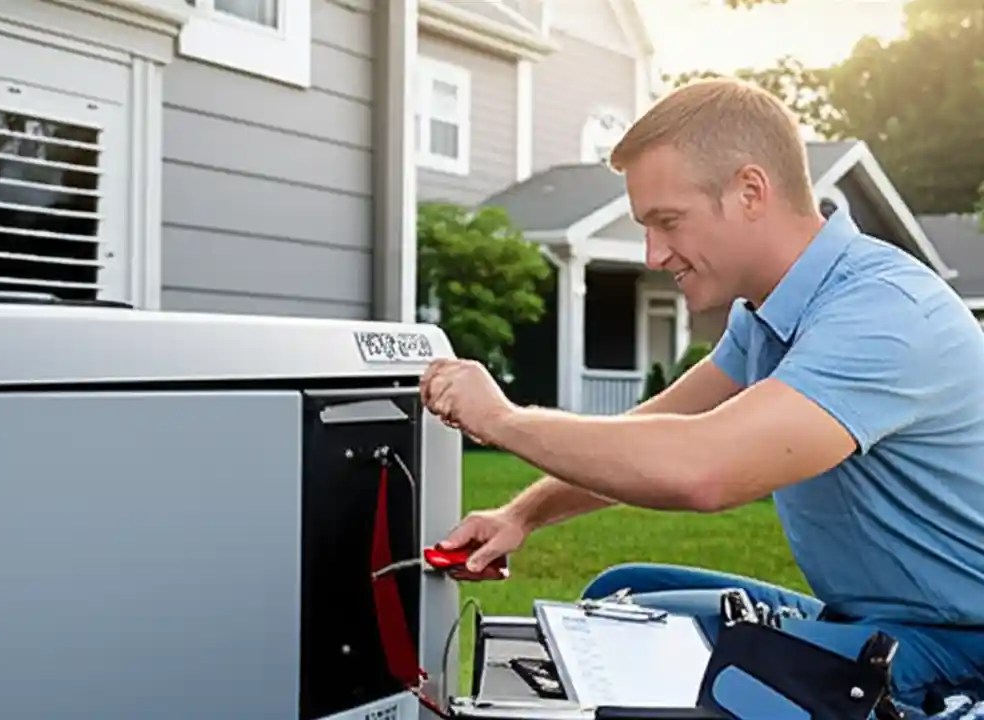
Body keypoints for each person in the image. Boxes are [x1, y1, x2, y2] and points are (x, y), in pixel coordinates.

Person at [419, 77, 984, 709]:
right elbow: (652, 429)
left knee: (676, 674)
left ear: (750, 192)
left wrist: (500, 419)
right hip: (871, 623)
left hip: (963, 649)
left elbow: (704, 470)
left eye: (668, 223)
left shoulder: (883, 314)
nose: (654, 254)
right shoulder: (768, 314)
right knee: (619, 600)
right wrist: (520, 515)